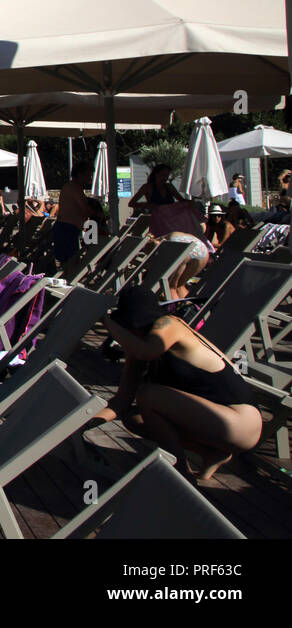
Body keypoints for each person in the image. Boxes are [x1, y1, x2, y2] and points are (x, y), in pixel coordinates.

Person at [91, 285, 261, 483]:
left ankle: (180, 473)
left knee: (148, 395)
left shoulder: (170, 325)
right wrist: (82, 425)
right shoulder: (140, 349)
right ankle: (210, 453)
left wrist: (106, 320)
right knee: (133, 418)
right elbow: (121, 401)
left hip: (241, 421)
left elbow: (147, 351)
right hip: (217, 420)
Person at [55, 162, 98, 265]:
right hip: (68, 229)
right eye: (89, 175)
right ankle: (69, 279)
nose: (90, 178)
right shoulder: (75, 188)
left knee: (67, 262)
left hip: (64, 227)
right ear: (80, 174)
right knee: (71, 262)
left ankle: (67, 278)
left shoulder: (68, 186)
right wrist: (97, 213)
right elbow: (84, 209)